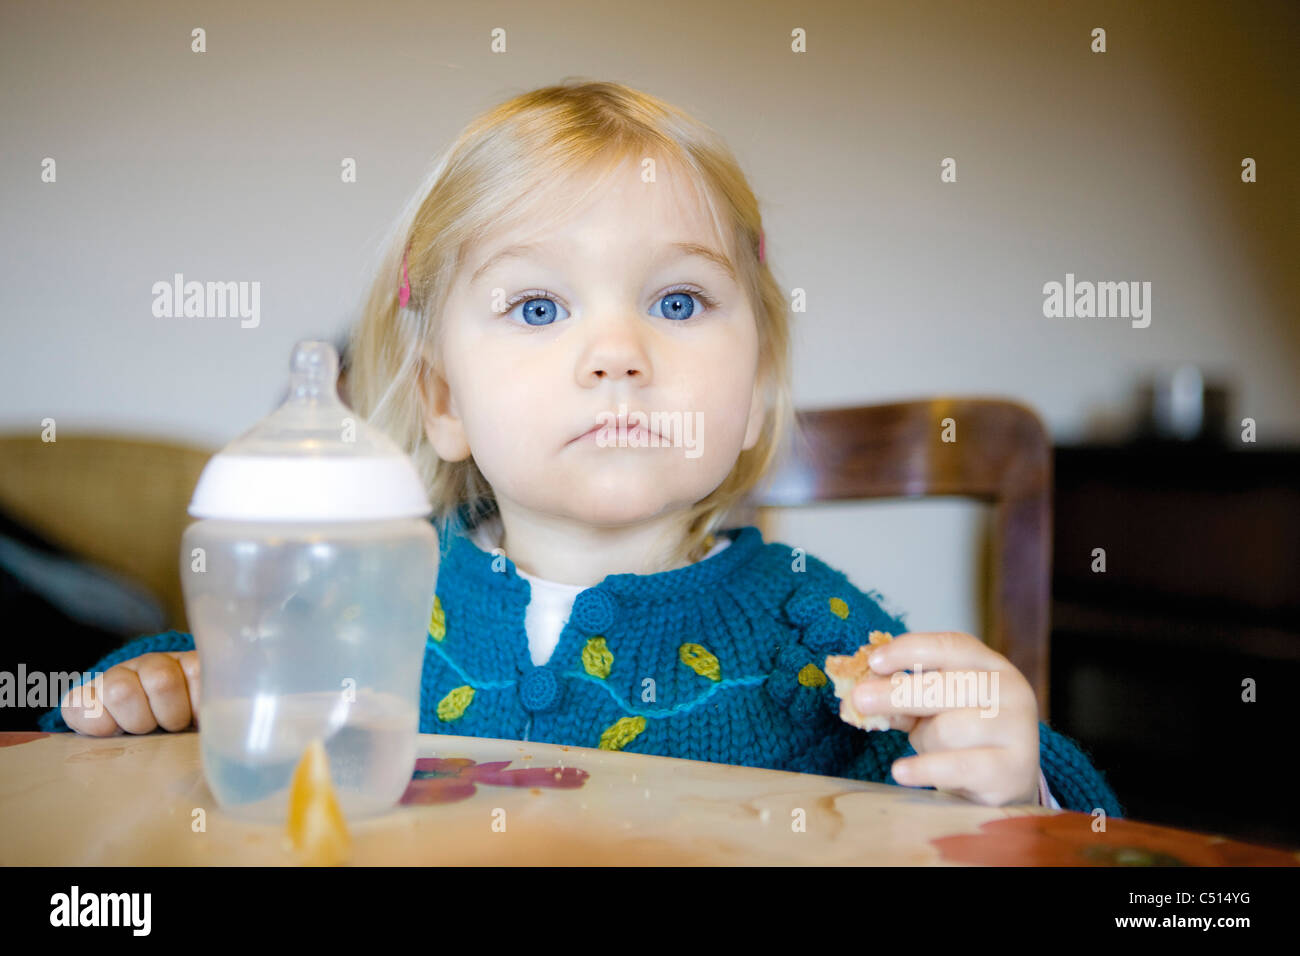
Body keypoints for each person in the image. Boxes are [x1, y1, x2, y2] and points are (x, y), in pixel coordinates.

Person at [41, 79, 1121, 816]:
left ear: (751, 400)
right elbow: (175, 699)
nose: (617, 351)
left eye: (680, 299)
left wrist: (1018, 778)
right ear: (441, 400)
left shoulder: (815, 623)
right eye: (541, 307)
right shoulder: (368, 592)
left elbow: (1081, 826)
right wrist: (157, 689)